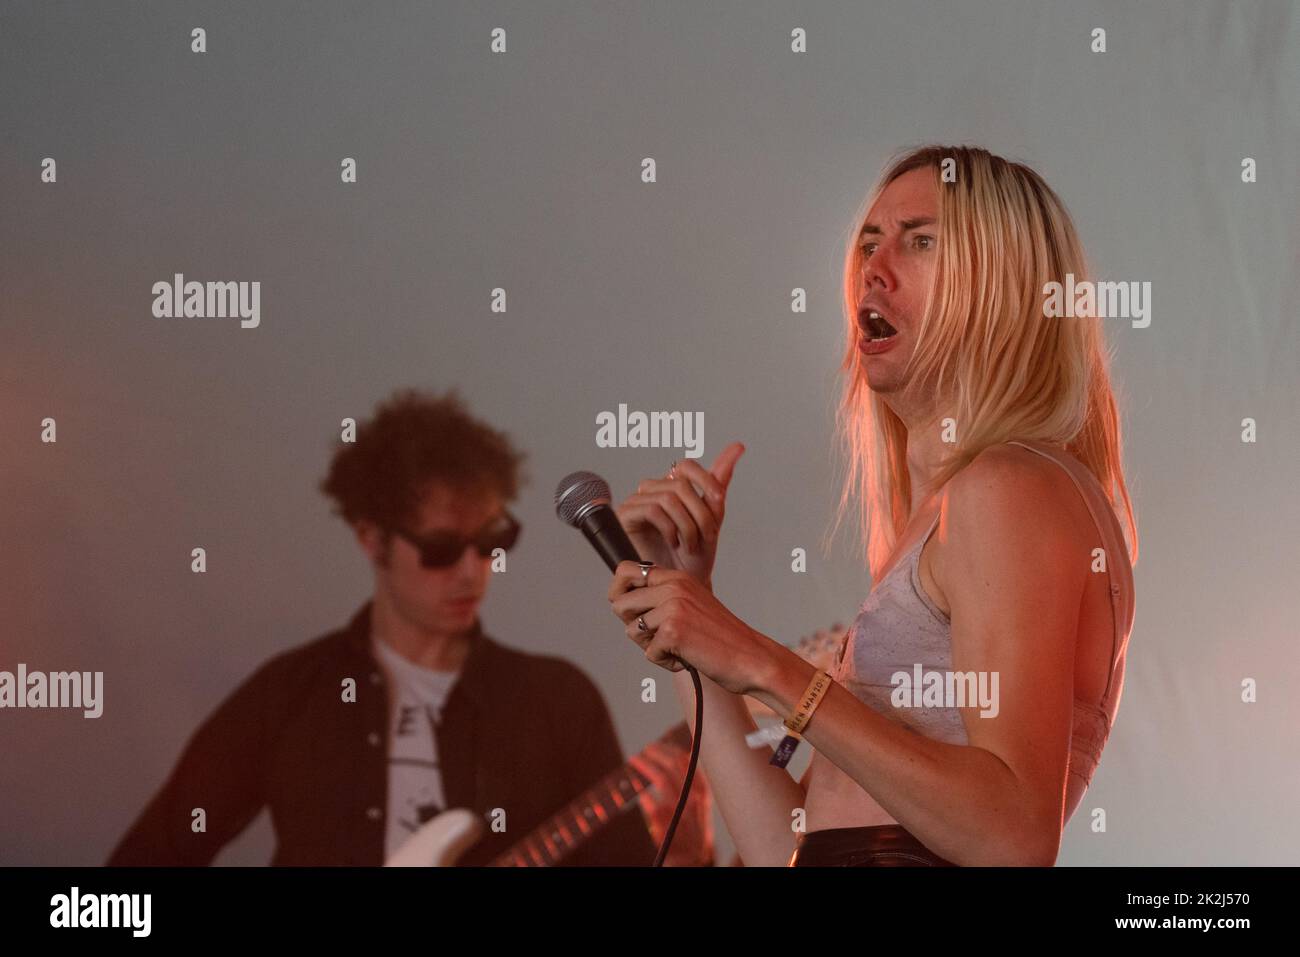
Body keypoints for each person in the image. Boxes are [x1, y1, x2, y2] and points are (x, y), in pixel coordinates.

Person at [606, 144, 1139, 867]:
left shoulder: (1010, 488)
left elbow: (1013, 836)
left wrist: (763, 661)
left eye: (920, 241)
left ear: (1007, 286)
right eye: (867, 242)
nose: (874, 269)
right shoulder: (948, 510)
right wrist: (691, 636)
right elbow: (789, 847)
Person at [108, 388, 660, 866]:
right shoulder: (289, 696)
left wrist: (687, 850)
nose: (473, 570)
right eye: (441, 549)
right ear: (372, 539)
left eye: (492, 542)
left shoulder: (558, 702)